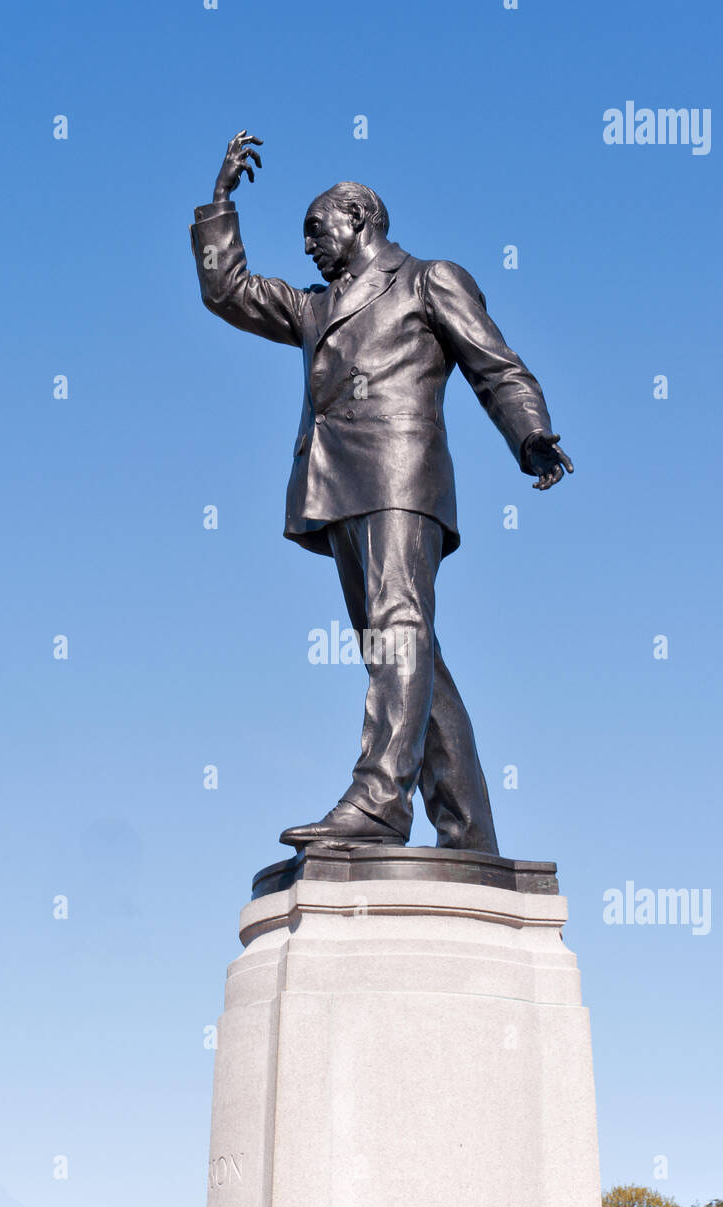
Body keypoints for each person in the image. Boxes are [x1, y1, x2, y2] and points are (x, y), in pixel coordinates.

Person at [191, 131, 573, 854]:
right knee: (396, 646)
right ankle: (467, 830)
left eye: (315, 228)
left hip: (400, 474)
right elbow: (228, 293)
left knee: (398, 631)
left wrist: (530, 432)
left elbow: (495, 365)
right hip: (335, 484)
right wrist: (218, 209)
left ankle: (377, 801)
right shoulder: (312, 308)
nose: (306, 245)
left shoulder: (429, 279)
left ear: (358, 217)